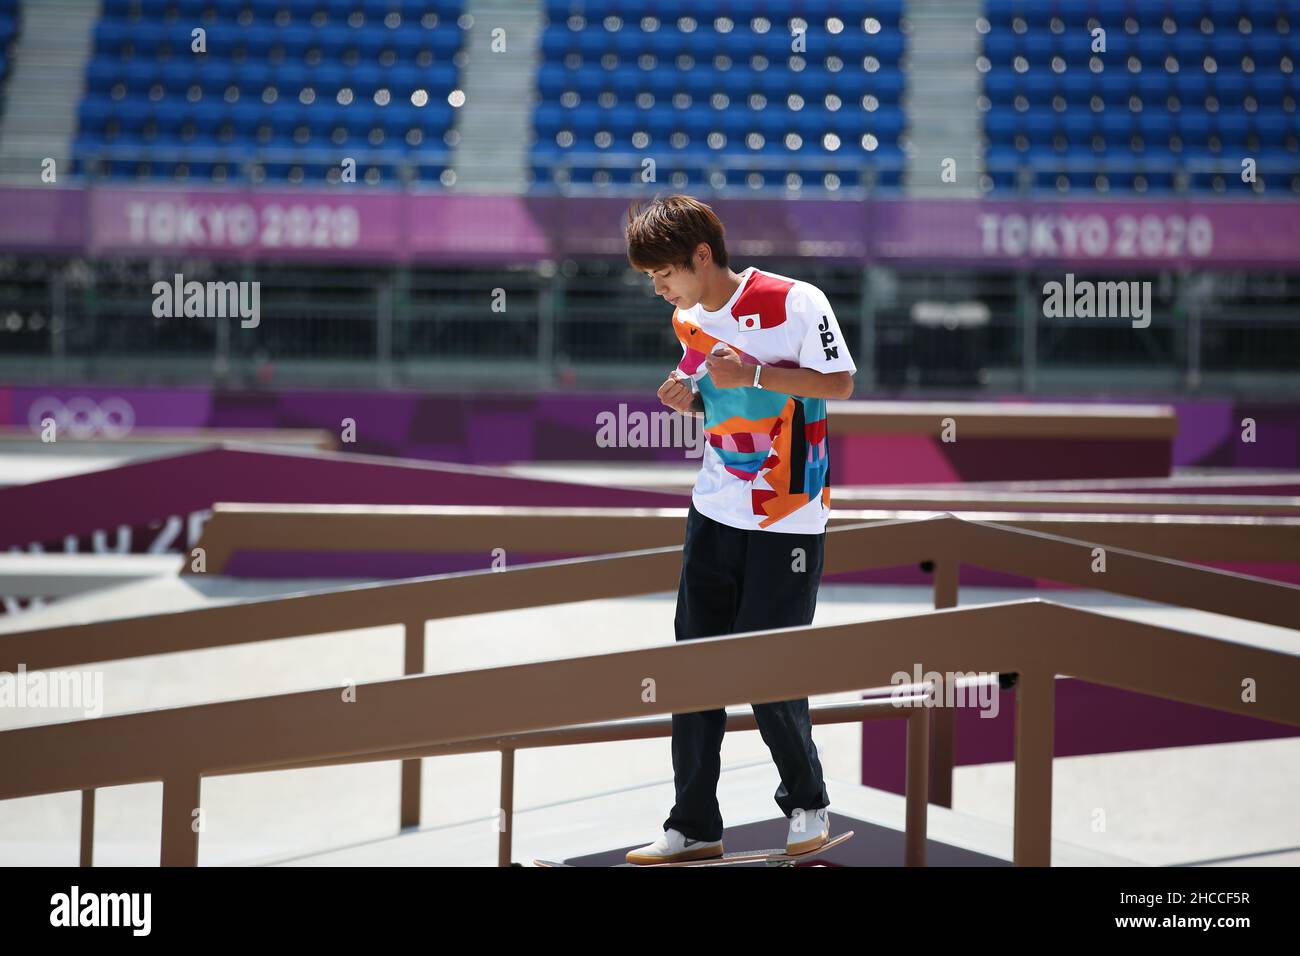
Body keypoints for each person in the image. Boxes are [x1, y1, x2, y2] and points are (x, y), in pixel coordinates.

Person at [623, 194, 857, 865]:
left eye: (663, 272)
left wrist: (750, 370)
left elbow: (840, 384)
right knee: (692, 668)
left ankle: (807, 802)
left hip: (789, 515)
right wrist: (687, 391)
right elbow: (718, 389)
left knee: (766, 667)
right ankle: (694, 824)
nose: (660, 288)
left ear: (702, 255)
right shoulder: (686, 318)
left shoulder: (795, 301)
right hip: (714, 509)